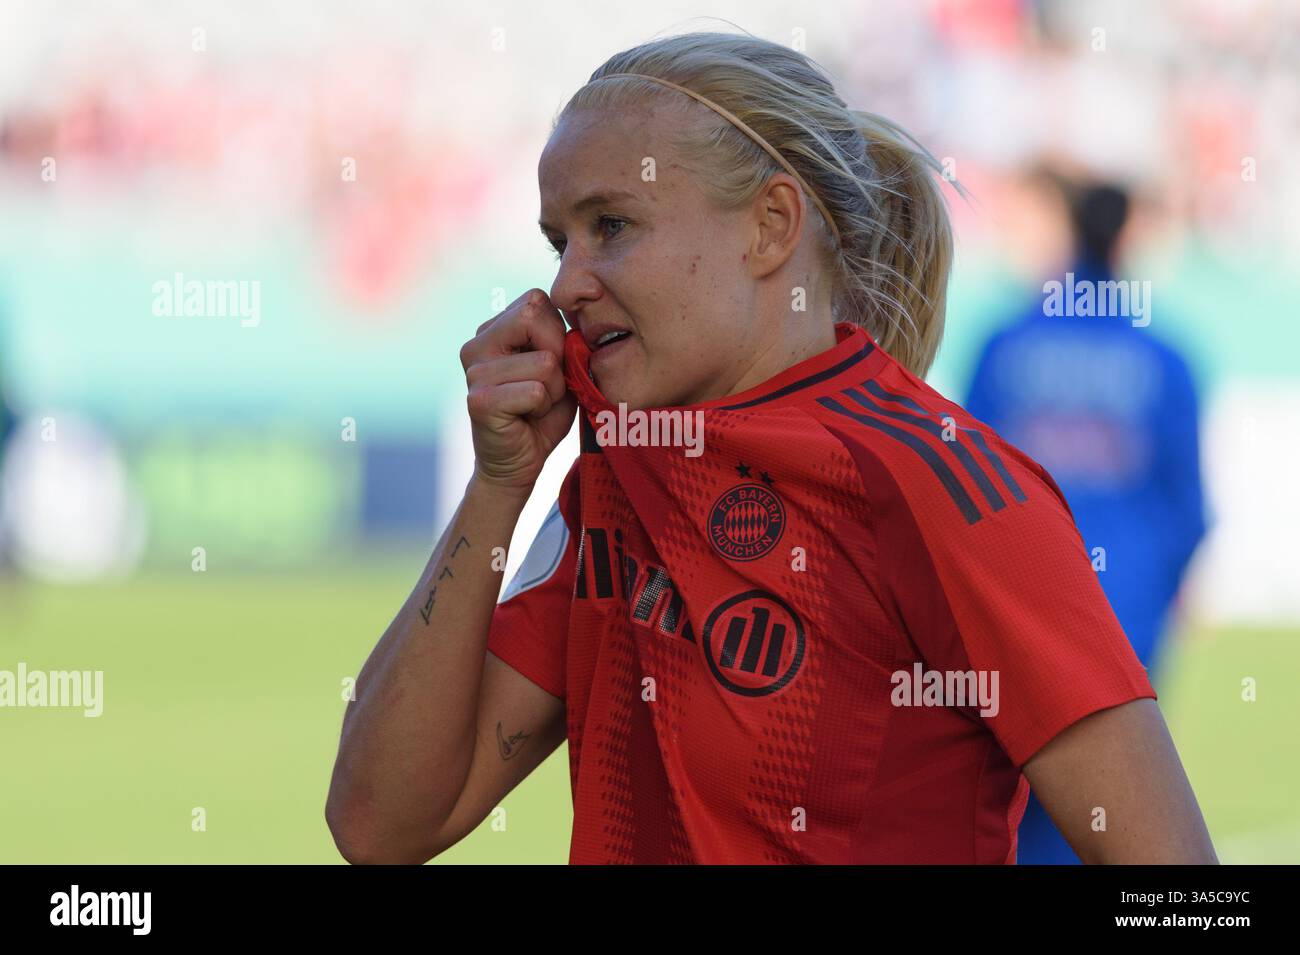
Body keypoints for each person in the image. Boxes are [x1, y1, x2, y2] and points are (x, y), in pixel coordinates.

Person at [325, 31, 1217, 864]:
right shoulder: (611, 476)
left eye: (612, 226)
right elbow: (381, 823)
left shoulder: (944, 485)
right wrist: (499, 486)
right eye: (560, 240)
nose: (565, 283)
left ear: (771, 226)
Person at [965, 175, 1208, 864]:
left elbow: (963, 487)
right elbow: (1189, 510)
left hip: (1012, 612)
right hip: (1124, 615)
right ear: (1130, 236)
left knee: (1003, 816)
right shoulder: (1163, 357)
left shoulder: (1006, 342)